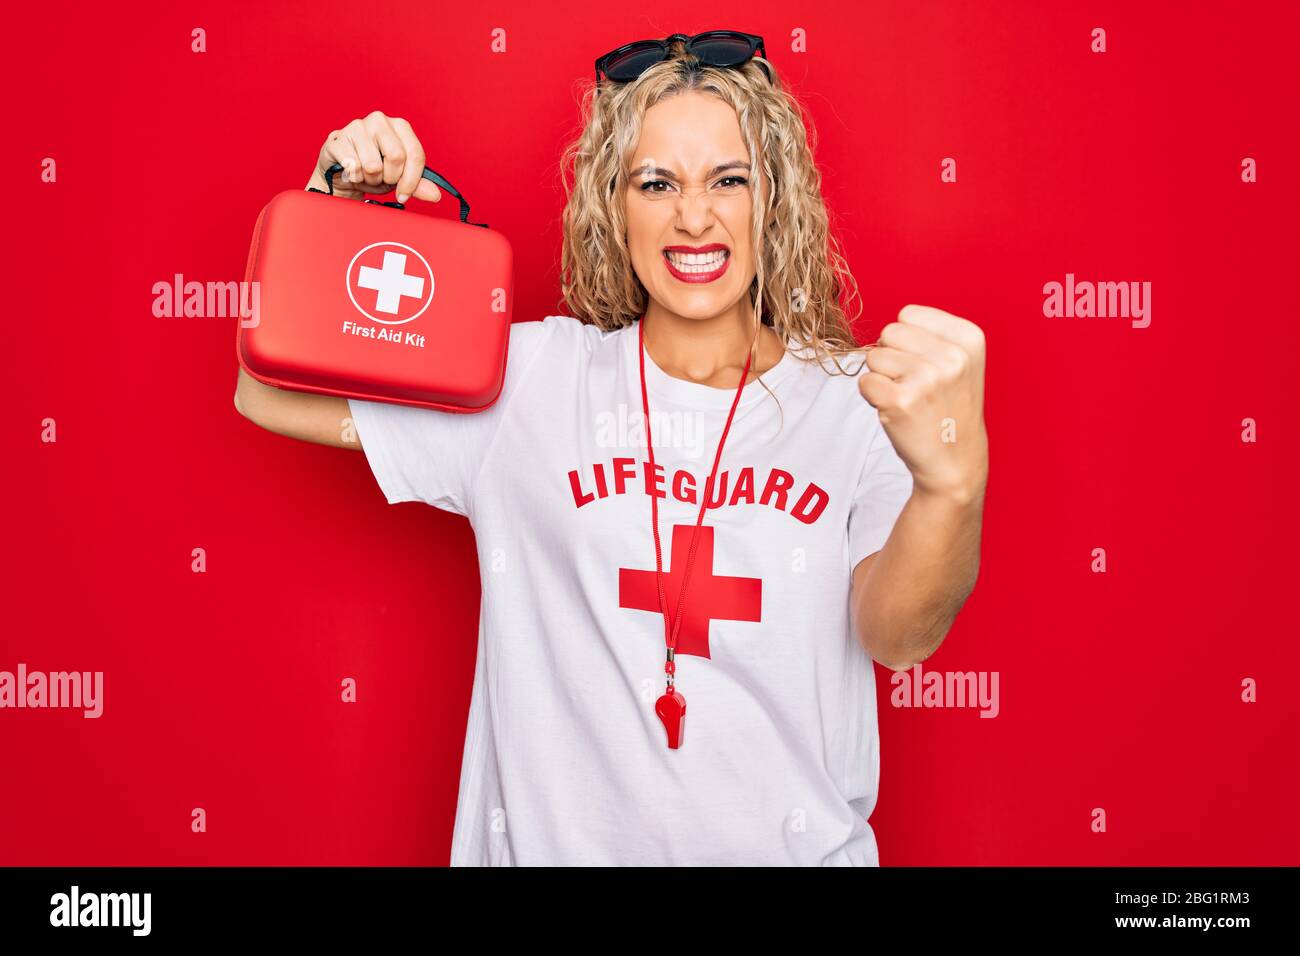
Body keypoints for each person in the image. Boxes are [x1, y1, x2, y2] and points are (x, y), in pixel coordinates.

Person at [233, 31, 988, 865]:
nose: (693, 215)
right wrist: (328, 205)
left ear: (773, 198)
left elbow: (898, 636)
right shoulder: (525, 380)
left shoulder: (860, 401)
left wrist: (951, 485)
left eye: (727, 180)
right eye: (655, 182)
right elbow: (267, 392)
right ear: (612, 203)